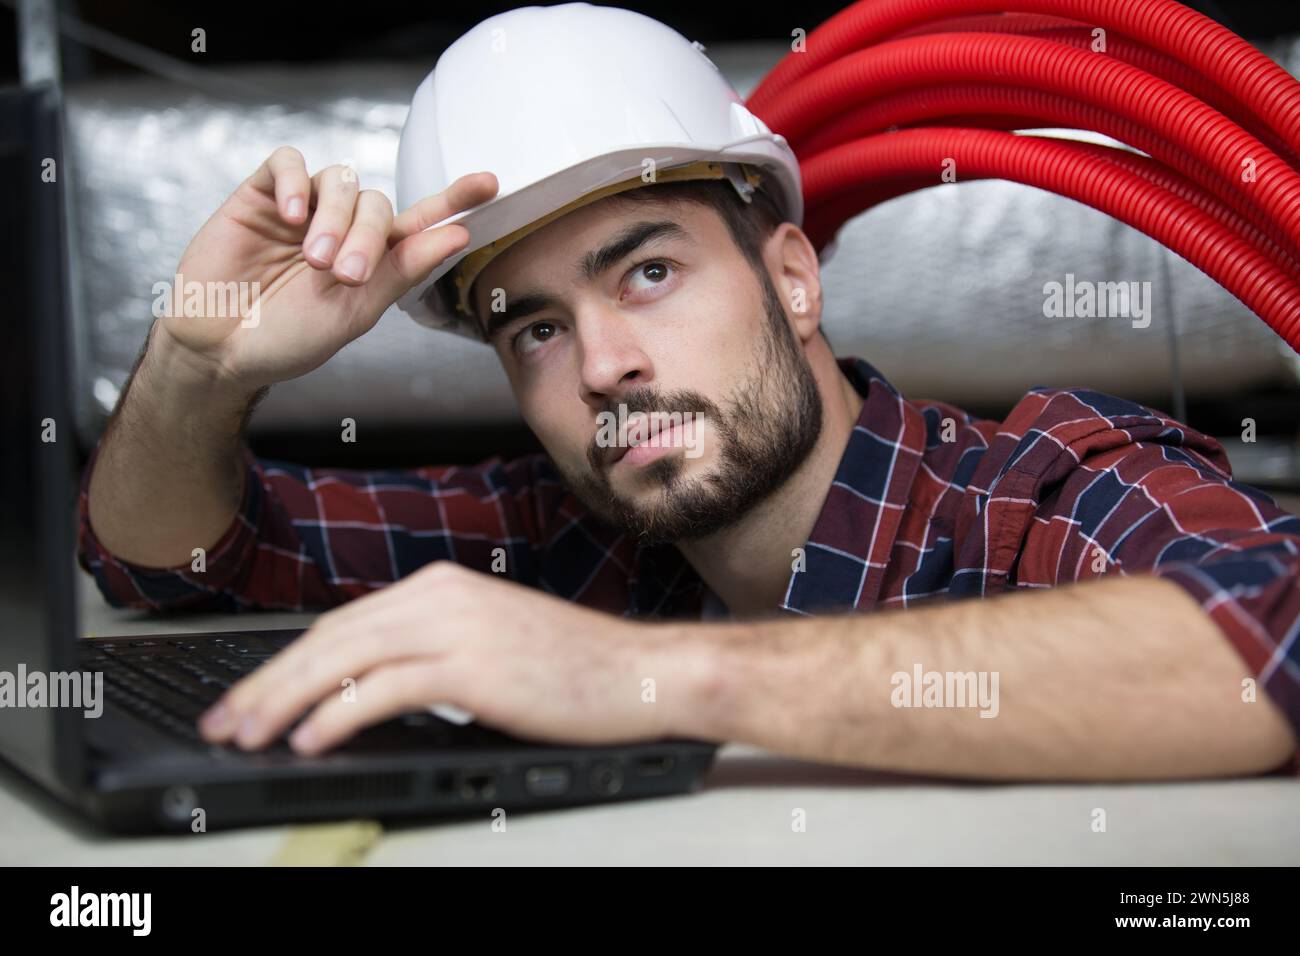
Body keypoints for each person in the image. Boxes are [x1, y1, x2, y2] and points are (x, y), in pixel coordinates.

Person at [79, 5, 1300, 779]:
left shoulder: (1039, 494)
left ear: (791, 277)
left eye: (648, 271)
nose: (603, 363)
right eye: (536, 328)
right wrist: (198, 360)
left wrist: (648, 679)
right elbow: (173, 558)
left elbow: (1274, 638)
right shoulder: (576, 537)